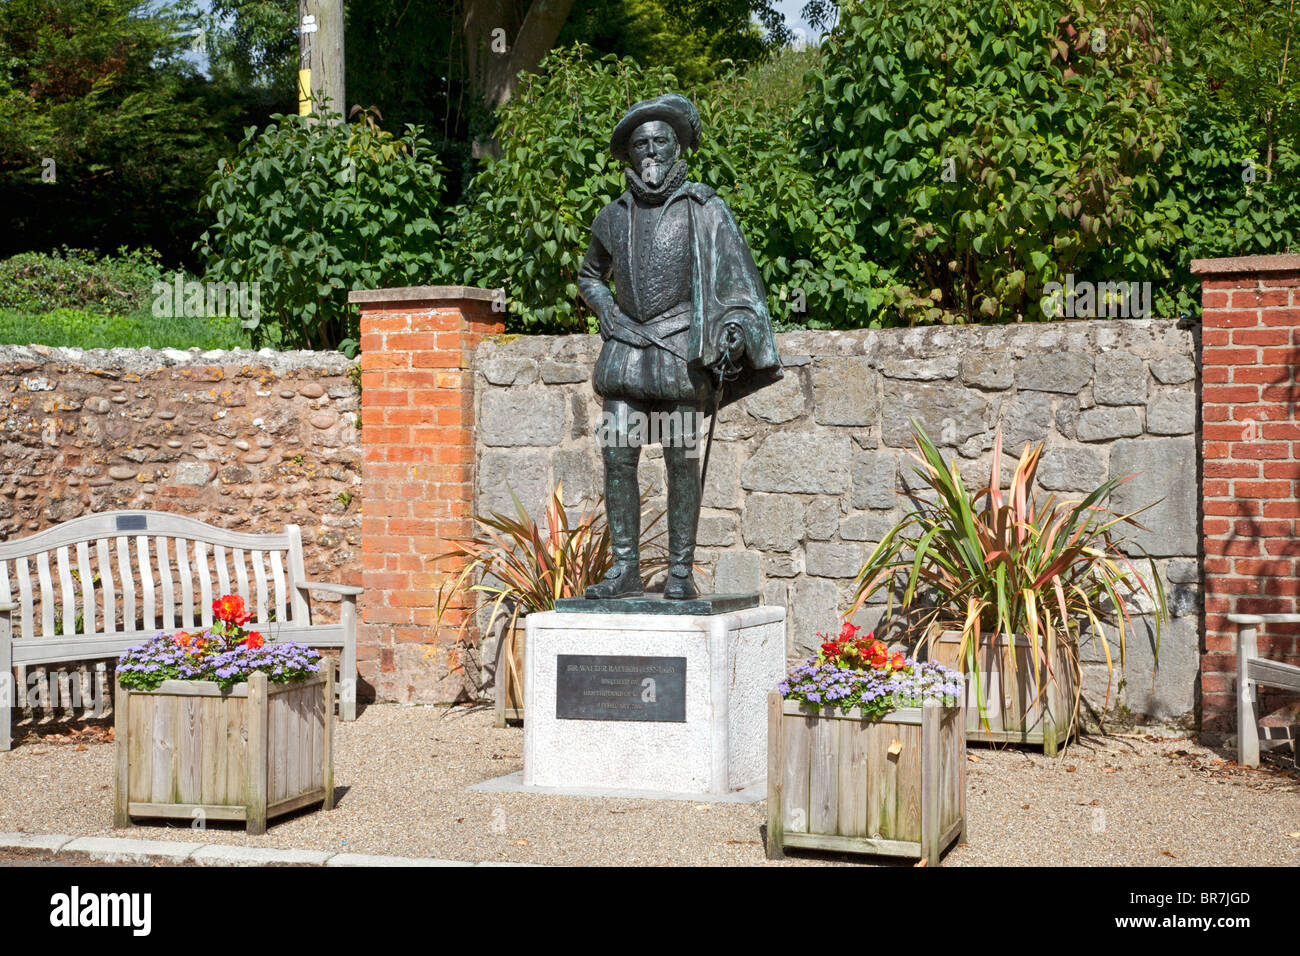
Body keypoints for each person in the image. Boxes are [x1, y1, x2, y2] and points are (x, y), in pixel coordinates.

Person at [577, 93, 782, 600]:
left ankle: (680, 572)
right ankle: (625, 567)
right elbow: (589, 275)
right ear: (629, 154)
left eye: (659, 141)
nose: (649, 152)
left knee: (680, 455)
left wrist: (733, 329)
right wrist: (605, 309)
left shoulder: (704, 209)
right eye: (640, 143)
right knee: (616, 451)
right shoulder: (612, 216)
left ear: (676, 148)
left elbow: (736, 285)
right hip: (627, 350)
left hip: (679, 354)